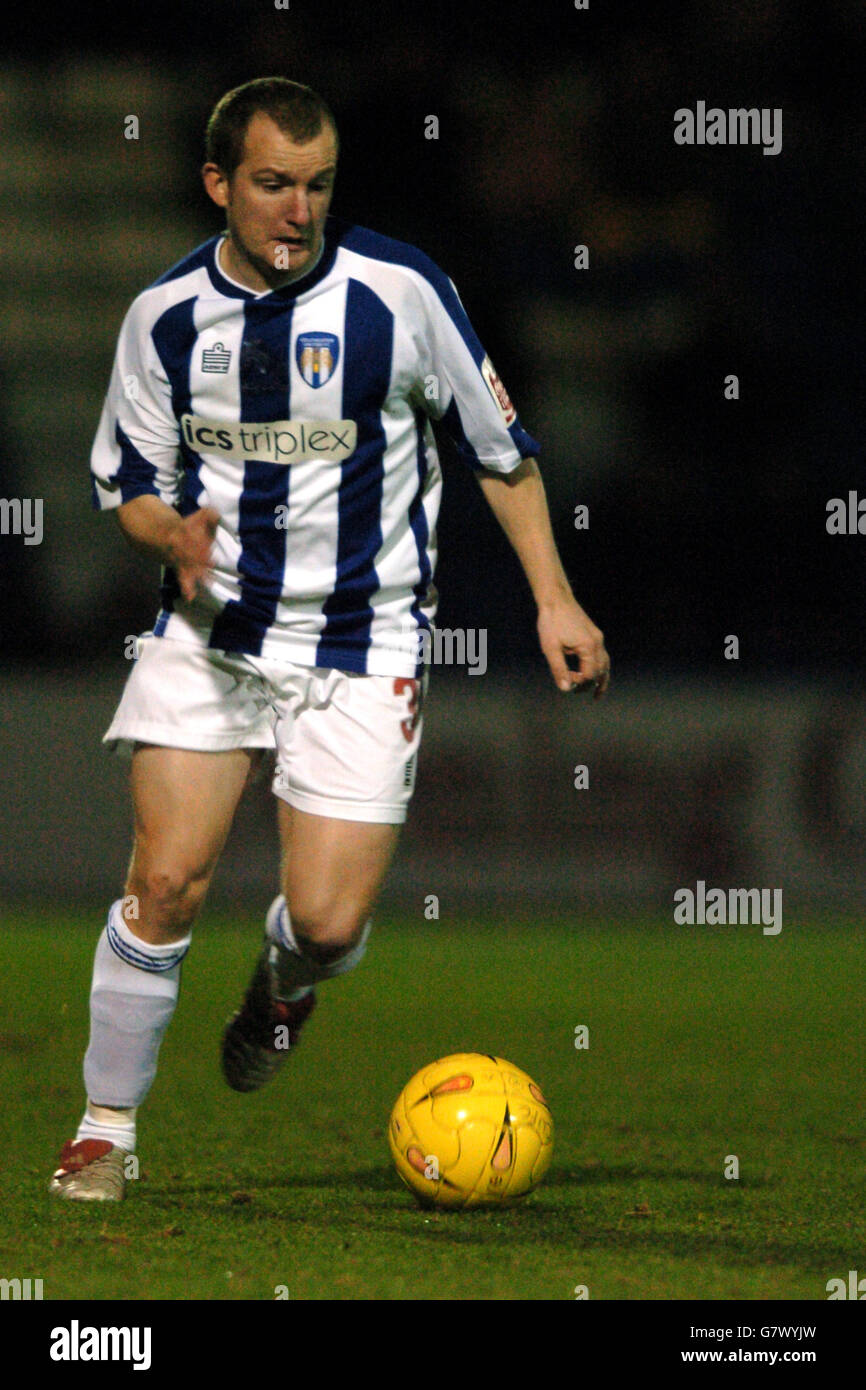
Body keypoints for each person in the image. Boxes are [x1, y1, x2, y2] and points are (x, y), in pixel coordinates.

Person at [49, 77, 610, 1202]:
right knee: (164, 879)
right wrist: (175, 537)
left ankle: (281, 985)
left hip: (365, 643)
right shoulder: (162, 317)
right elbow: (129, 488)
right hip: (212, 636)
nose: (296, 210)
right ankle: (105, 1127)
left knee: (327, 919)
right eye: (270, 185)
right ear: (219, 184)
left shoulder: (399, 290)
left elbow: (498, 450)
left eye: (315, 186)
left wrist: (554, 597)